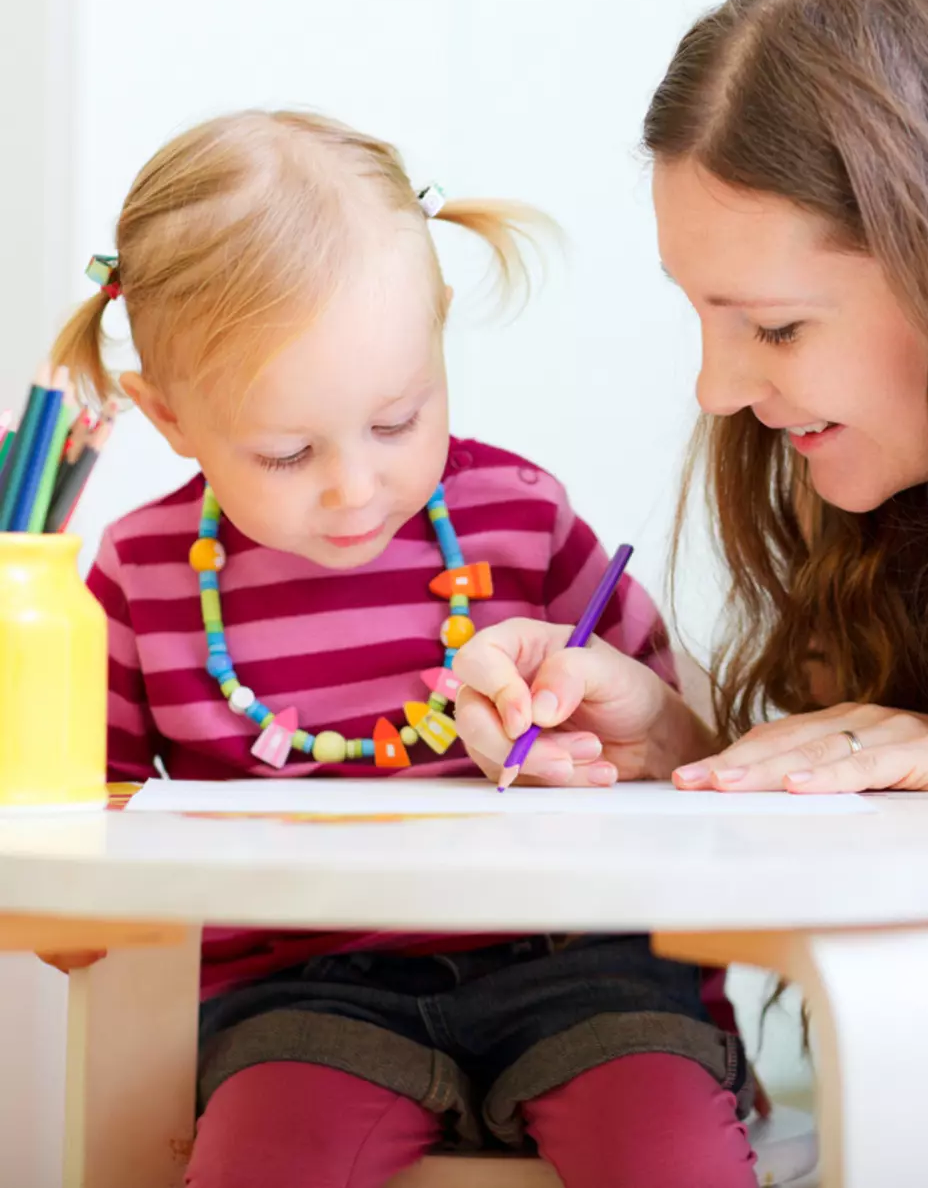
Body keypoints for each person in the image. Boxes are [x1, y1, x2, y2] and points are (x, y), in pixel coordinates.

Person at [453, 0, 928, 1184]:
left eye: (777, 328)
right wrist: (680, 750)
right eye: (703, 313)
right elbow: (910, 808)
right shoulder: (877, 458)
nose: (718, 388)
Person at [52, 109, 757, 1188]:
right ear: (167, 415)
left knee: (672, 1156)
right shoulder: (142, 579)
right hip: (300, 1002)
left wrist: (595, 734)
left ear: (437, 336)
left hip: (581, 967)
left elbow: (688, 764)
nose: (354, 486)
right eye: (286, 451)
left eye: (397, 420)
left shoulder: (519, 520)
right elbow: (73, 833)